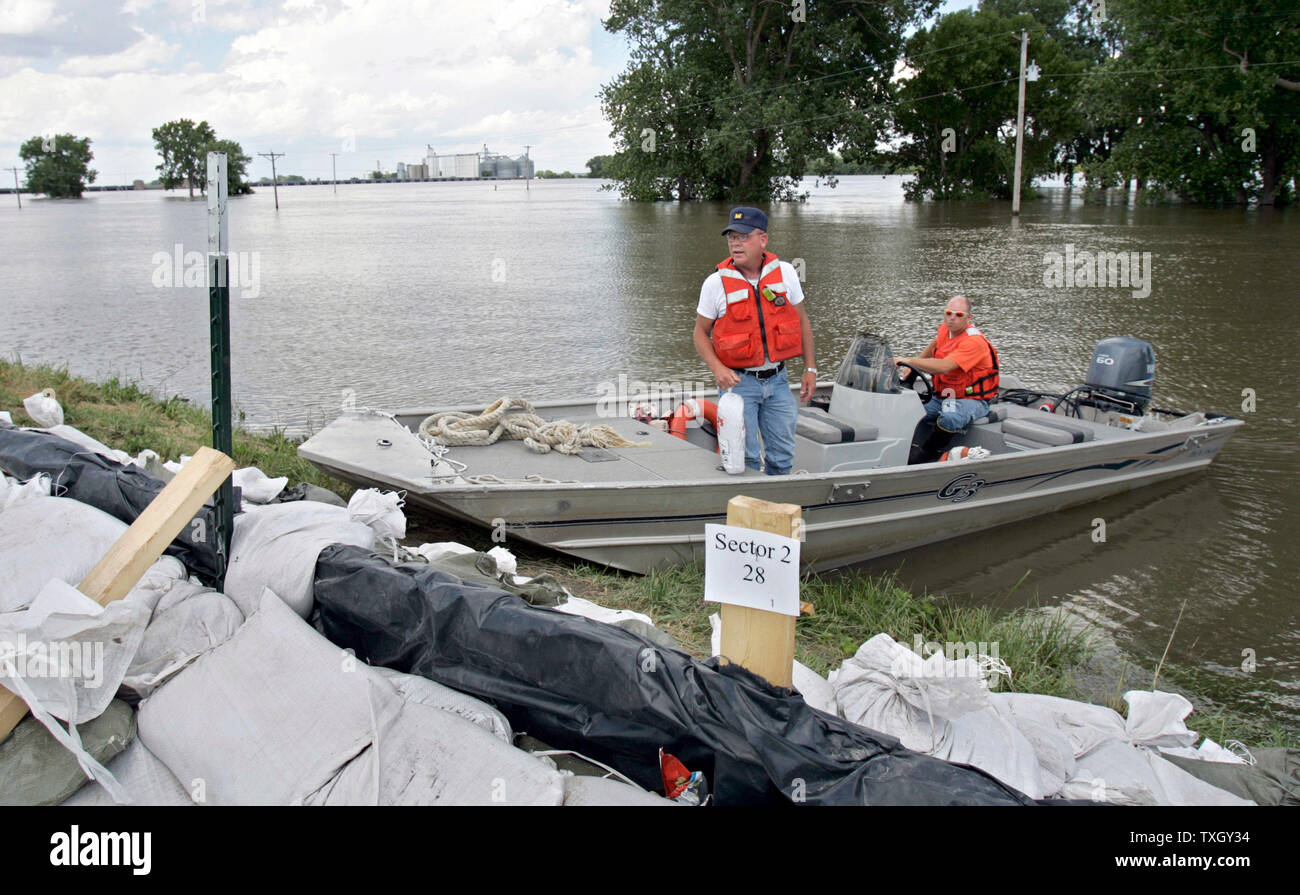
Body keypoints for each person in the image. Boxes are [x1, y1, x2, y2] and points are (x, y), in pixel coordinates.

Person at [693, 206, 817, 475]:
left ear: (763, 240)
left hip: (779, 382)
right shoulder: (715, 284)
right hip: (739, 386)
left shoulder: (785, 273)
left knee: (782, 456)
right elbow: (700, 334)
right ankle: (748, 511)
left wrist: (810, 369)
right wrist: (718, 369)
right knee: (745, 460)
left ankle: (776, 508)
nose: (736, 244)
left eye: (744, 237)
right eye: (731, 237)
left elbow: (803, 322)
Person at [893, 295, 1000, 464]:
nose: (952, 318)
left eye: (959, 315)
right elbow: (935, 345)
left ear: (968, 318)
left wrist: (910, 360)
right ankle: (898, 449)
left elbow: (945, 366)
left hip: (971, 399)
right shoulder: (945, 330)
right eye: (949, 313)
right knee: (911, 411)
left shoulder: (974, 342)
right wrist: (912, 368)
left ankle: (927, 456)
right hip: (944, 394)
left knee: (950, 418)